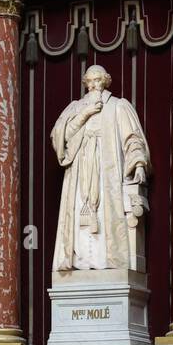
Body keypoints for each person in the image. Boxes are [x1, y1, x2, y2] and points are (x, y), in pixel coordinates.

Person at [51, 64, 151, 272]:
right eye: (90, 81)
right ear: (85, 84)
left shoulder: (117, 106)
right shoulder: (75, 107)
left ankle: (107, 260)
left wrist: (139, 164)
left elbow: (132, 139)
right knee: (80, 213)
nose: (95, 85)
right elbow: (61, 136)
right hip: (80, 171)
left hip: (108, 172)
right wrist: (84, 114)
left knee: (106, 213)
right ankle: (81, 262)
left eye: (98, 80)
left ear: (105, 81)